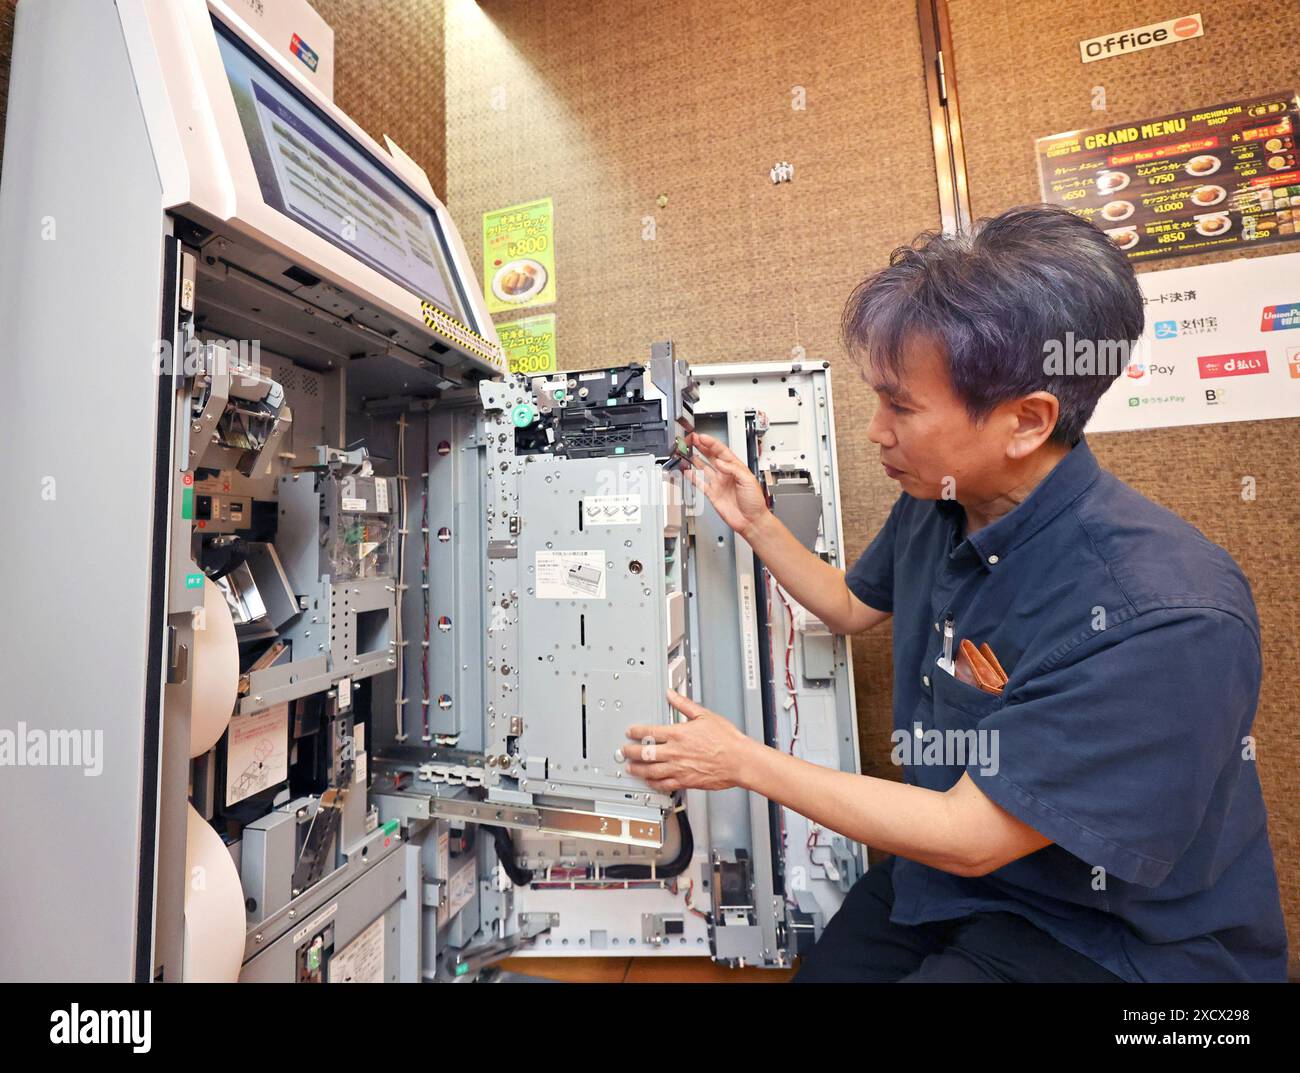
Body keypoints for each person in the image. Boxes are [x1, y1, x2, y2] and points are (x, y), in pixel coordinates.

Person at [620, 205, 1287, 982]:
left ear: (1026, 422)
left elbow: (975, 831)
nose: (875, 431)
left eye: (901, 406)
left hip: (1110, 939)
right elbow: (847, 606)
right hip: (945, 880)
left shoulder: (1167, 614)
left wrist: (740, 760)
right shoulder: (939, 501)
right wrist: (754, 521)